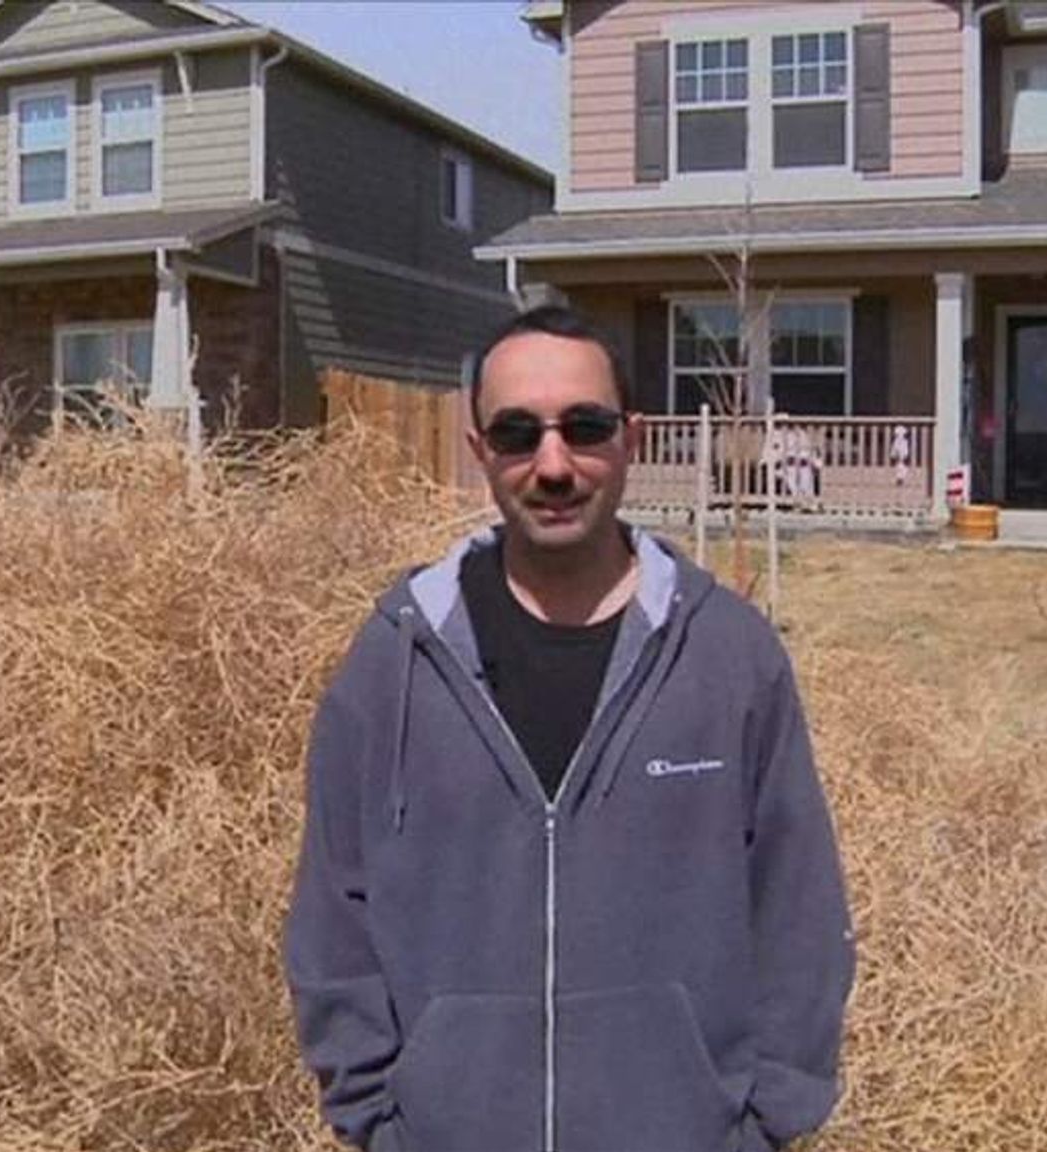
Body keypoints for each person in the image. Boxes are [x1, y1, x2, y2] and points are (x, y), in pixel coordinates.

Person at [283, 305, 856, 1152]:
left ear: (632, 437)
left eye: (583, 427)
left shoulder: (729, 655)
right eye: (517, 434)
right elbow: (334, 915)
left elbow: (800, 911)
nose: (552, 464)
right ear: (481, 451)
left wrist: (764, 1122)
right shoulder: (397, 660)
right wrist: (377, 1122)